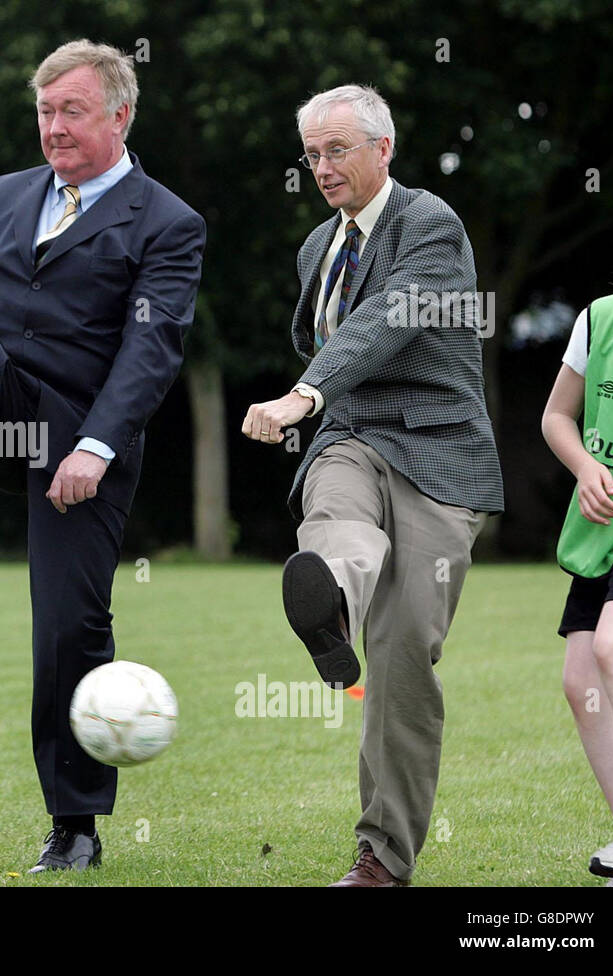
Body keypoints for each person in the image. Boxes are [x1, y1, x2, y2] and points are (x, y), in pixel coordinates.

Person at [0, 39, 204, 872]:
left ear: (120, 113)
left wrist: (97, 447)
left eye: (71, 111)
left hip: (81, 433)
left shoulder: (169, 222)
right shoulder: (2, 194)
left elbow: (152, 351)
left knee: (69, 628)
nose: (54, 128)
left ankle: (75, 824)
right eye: (44, 111)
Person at [241, 85, 503, 886]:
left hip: (438, 454)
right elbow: (334, 330)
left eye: (337, 150)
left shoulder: (430, 224)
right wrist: (322, 408)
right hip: (352, 437)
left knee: (402, 657)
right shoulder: (316, 245)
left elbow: (386, 317)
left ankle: (385, 858)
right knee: (337, 520)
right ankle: (329, 605)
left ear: (382, 150)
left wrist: (302, 393)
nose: (321, 167)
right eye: (312, 154)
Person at [544, 222, 613, 886]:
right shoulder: (602, 319)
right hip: (602, 531)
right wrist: (584, 468)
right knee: (582, 685)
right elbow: (557, 417)